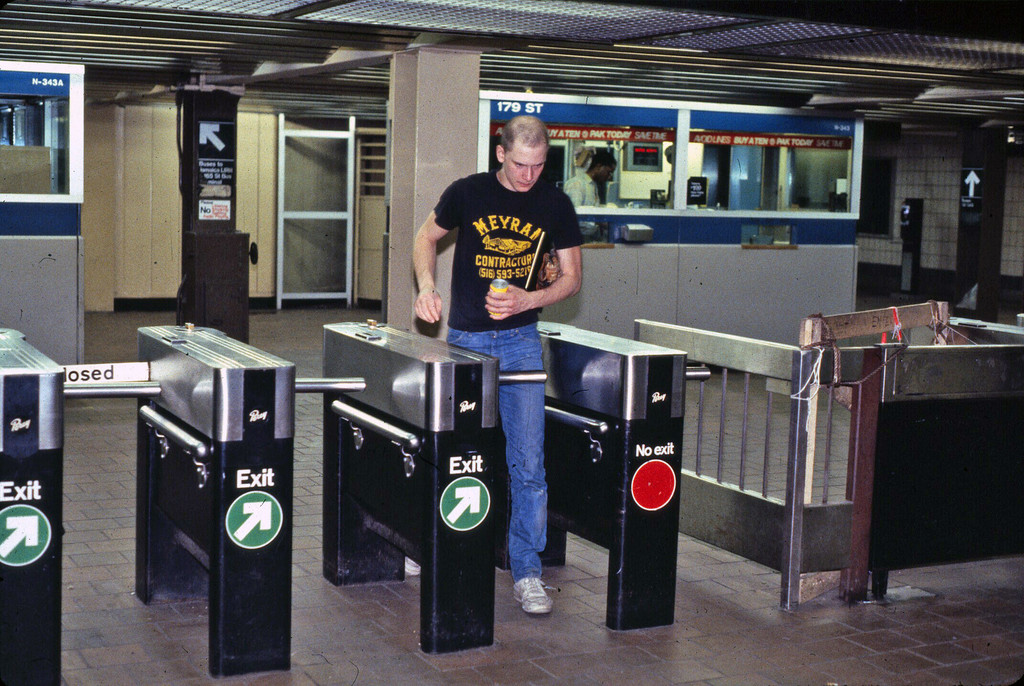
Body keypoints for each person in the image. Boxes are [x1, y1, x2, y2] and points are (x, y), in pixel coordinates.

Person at [413, 115, 583, 615]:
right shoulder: (467, 192)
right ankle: (426, 540)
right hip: (466, 340)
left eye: (539, 166)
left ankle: (527, 571)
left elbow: (571, 278)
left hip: (521, 343)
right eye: (520, 165)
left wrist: (529, 299)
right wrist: (427, 287)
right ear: (500, 154)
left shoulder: (556, 204)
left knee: (528, 462)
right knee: (453, 451)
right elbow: (425, 238)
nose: (529, 176)